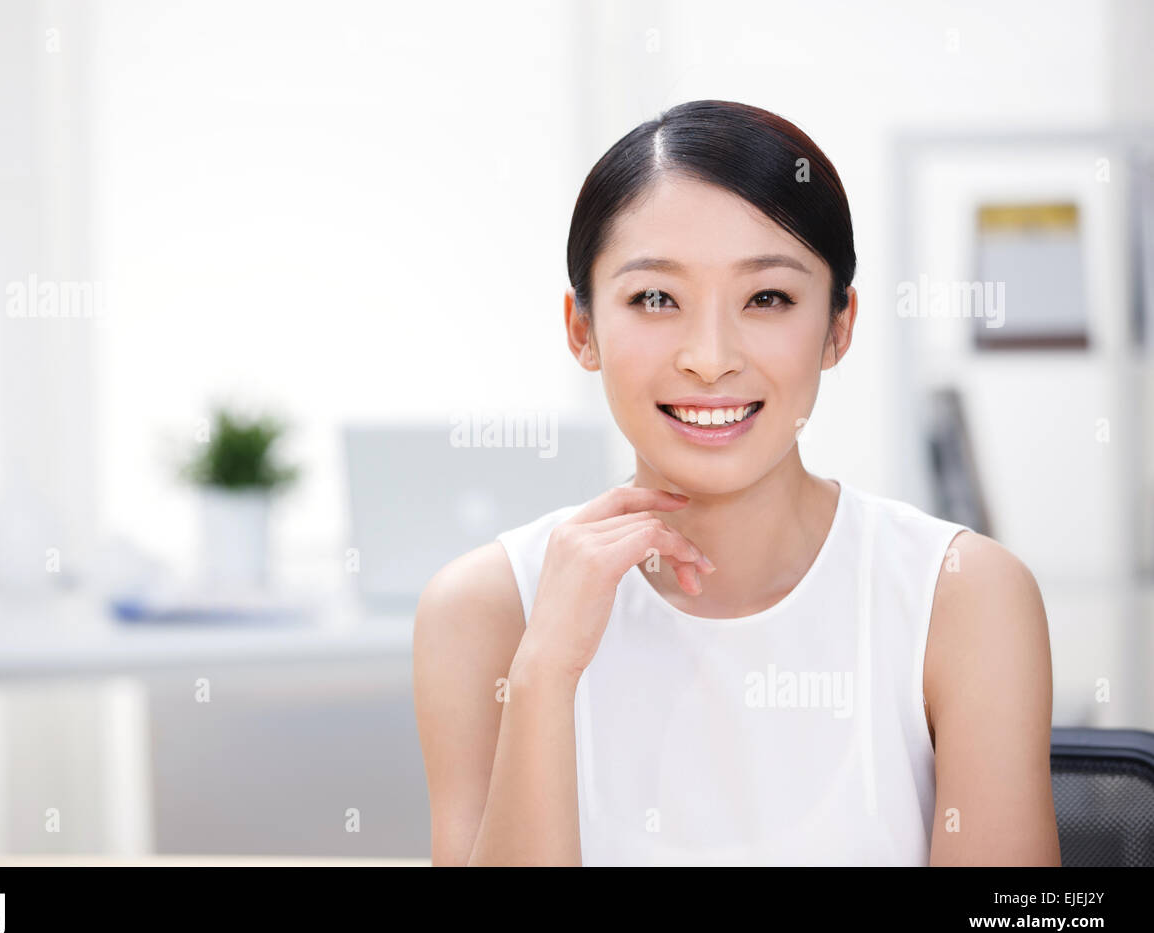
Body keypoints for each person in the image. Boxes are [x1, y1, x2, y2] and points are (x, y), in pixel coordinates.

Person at [413, 100, 1059, 866]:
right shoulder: (486, 609)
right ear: (582, 330)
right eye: (655, 298)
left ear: (838, 327)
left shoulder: (961, 594)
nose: (710, 357)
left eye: (767, 298)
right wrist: (545, 671)